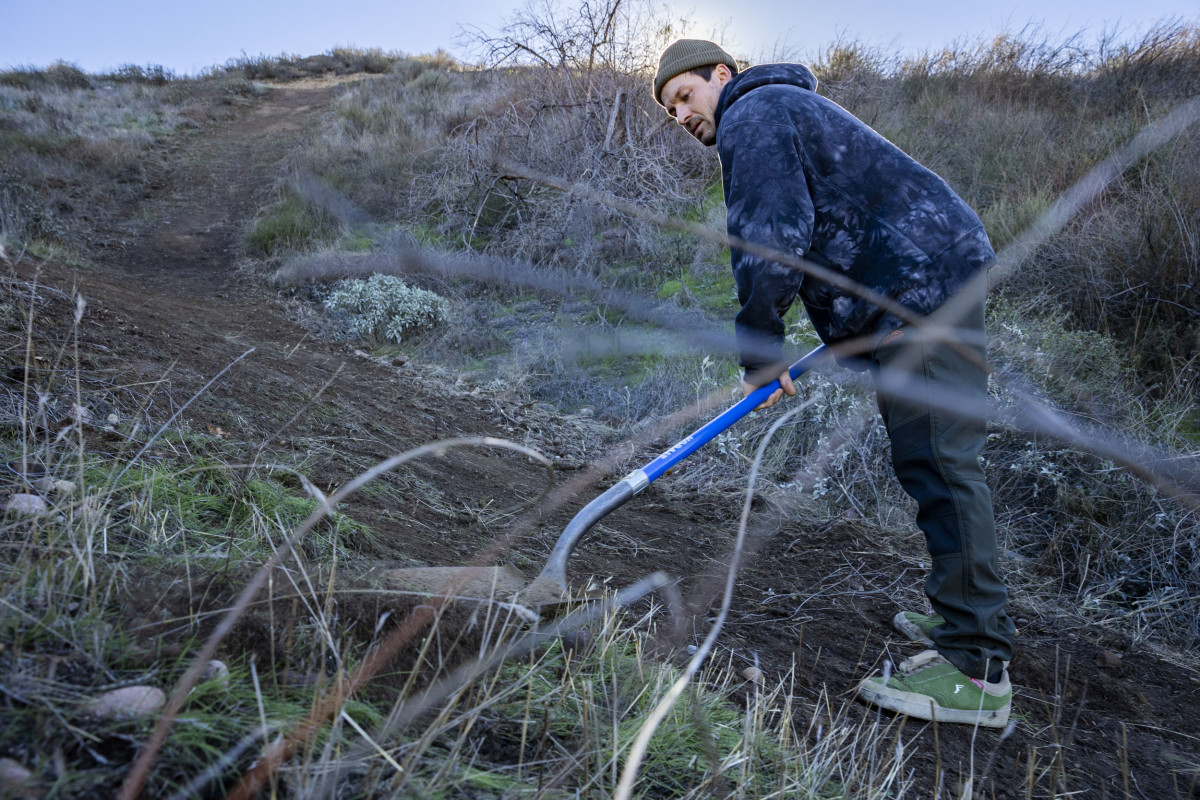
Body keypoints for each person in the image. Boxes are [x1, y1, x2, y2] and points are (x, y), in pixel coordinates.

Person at [652, 39, 1016, 727]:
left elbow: (770, 237)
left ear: (721, 75)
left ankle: (977, 668)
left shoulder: (754, 113)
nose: (680, 114)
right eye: (670, 110)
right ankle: (963, 620)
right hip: (919, 290)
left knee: (941, 464)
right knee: (932, 461)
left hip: (919, 297)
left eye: (685, 96)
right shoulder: (781, 107)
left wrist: (761, 348)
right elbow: (827, 222)